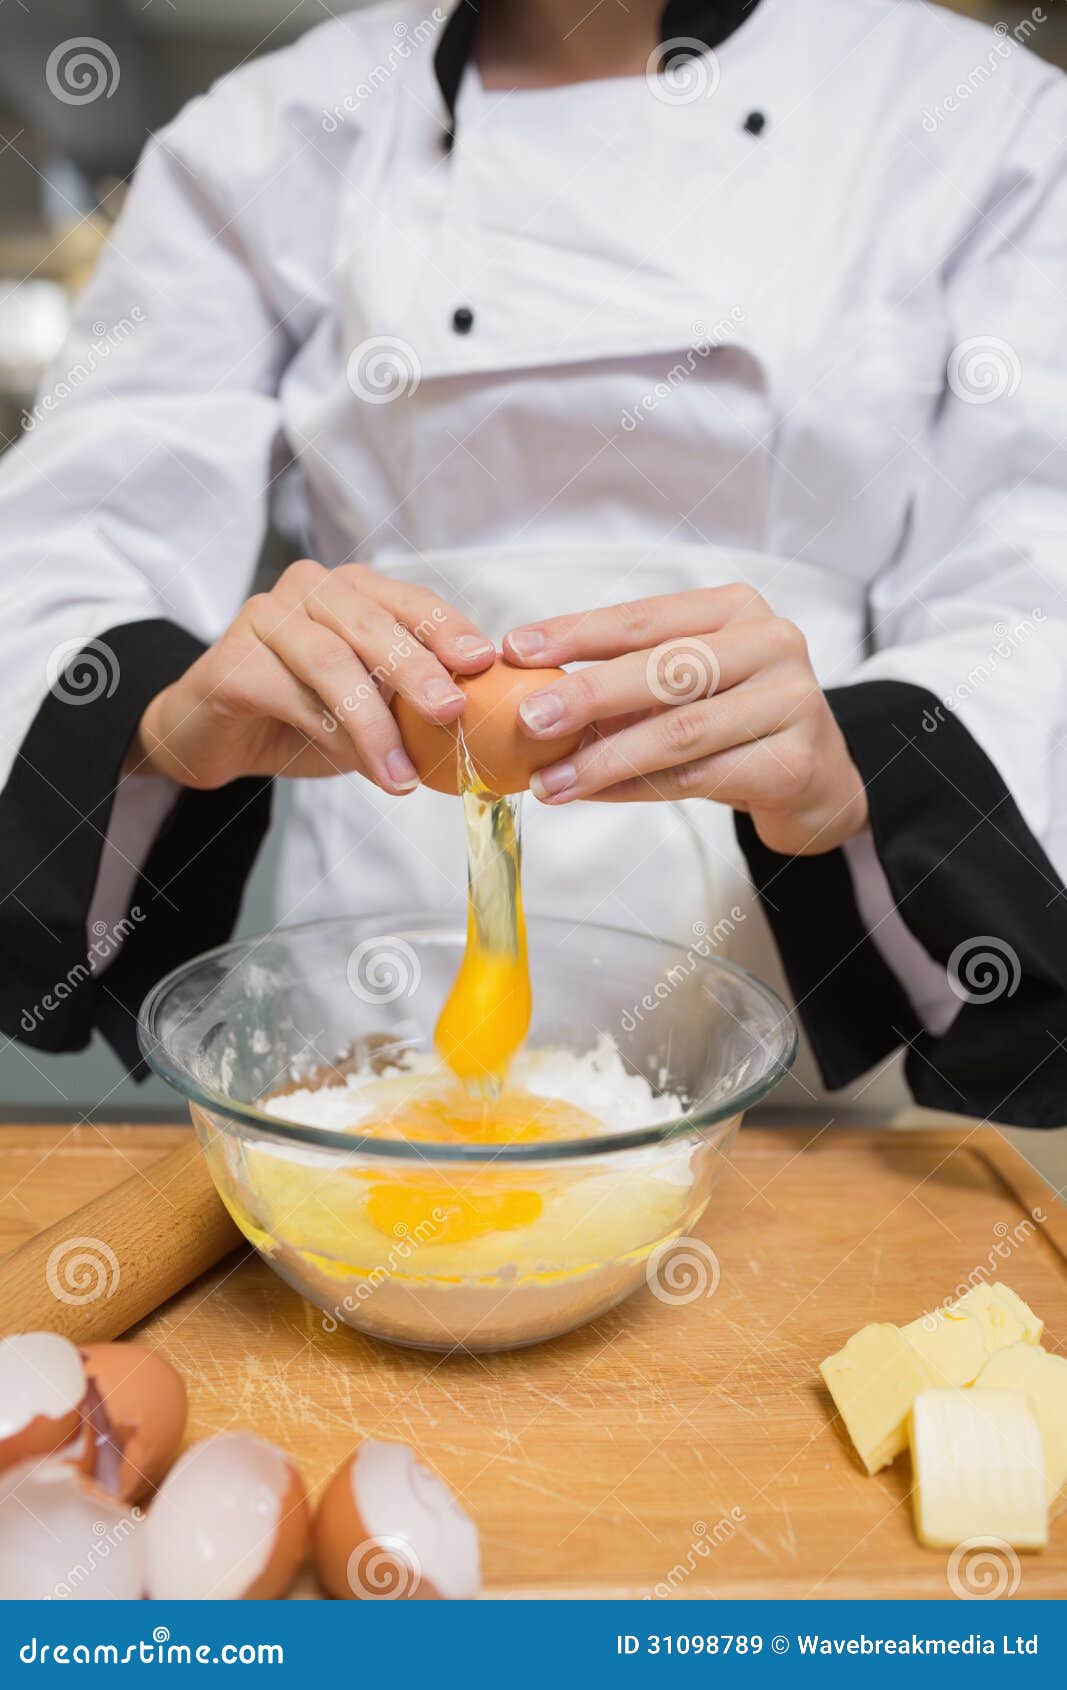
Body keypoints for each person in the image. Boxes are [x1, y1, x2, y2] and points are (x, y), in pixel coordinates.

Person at [2, 0, 1066, 1125]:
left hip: (789, 1037)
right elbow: (68, 536)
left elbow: (1032, 578)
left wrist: (857, 771)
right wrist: (161, 718)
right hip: (357, 1022)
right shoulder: (274, 131)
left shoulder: (978, 119)